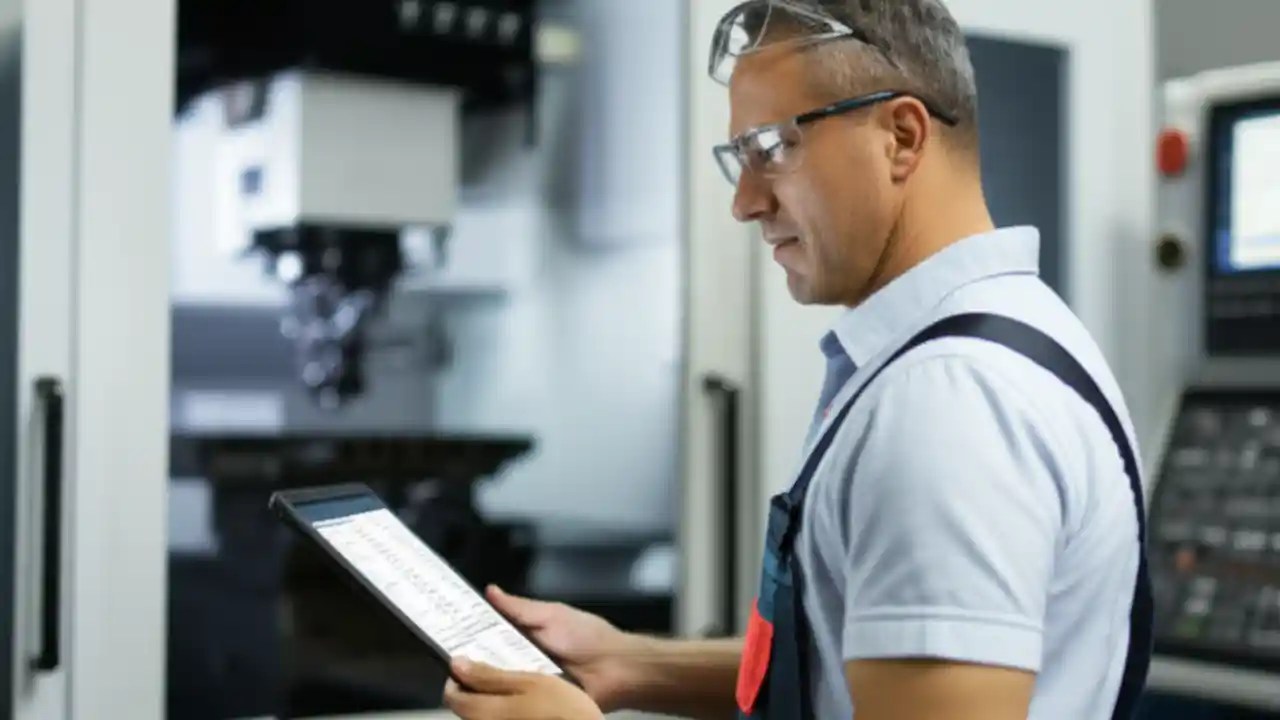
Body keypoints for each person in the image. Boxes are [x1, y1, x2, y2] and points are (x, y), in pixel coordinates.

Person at [444, 0, 1152, 718]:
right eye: (739, 159)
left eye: (772, 149)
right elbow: (854, 643)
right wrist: (631, 663)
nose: (745, 203)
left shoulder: (949, 402)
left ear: (901, 137)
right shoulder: (994, 341)